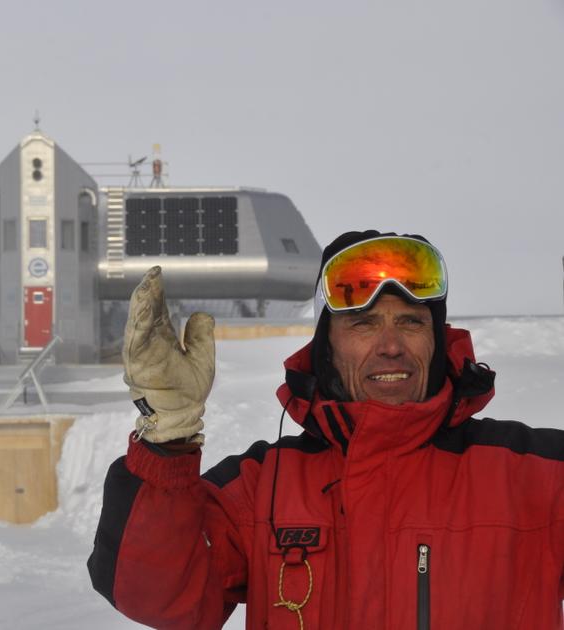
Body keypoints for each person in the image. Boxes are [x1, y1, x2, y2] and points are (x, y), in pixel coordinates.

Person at [87, 231, 564, 630]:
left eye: (411, 322)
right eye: (364, 323)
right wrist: (167, 438)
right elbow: (159, 595)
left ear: (437, 342)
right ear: (327, 349)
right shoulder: (262, 485)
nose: (392, 345)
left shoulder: (536, 476)